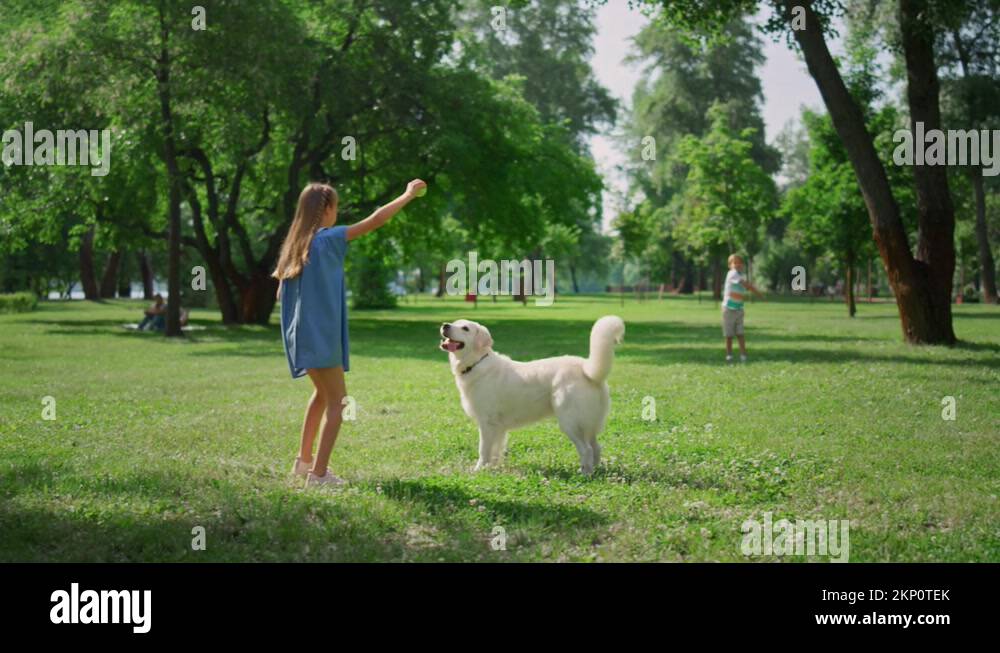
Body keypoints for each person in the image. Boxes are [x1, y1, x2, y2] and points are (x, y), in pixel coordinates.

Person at [272, 179, 426, 487]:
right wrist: (407, 194)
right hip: (321, 335)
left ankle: (303, 463)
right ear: (326, 209)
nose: (337, 213)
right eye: (336, 207)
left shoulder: (294, 247)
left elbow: (280, 296)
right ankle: (319, 475)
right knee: (338, 402)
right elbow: (376, 220)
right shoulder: (328, 239)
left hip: (298, 336)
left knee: (321, 395)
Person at [721, 254, 763, 363]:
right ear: (729, 265)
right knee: (729, 334)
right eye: (734, 262)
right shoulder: (732, 274)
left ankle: (743, 355)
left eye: (739, 262)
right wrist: (757, 292)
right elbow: (746, 285)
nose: (737, 264)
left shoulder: (740, 275)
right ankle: (729, 355)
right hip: (729, 309)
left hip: (739, 308)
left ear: (742, 265)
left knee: (740, 333)